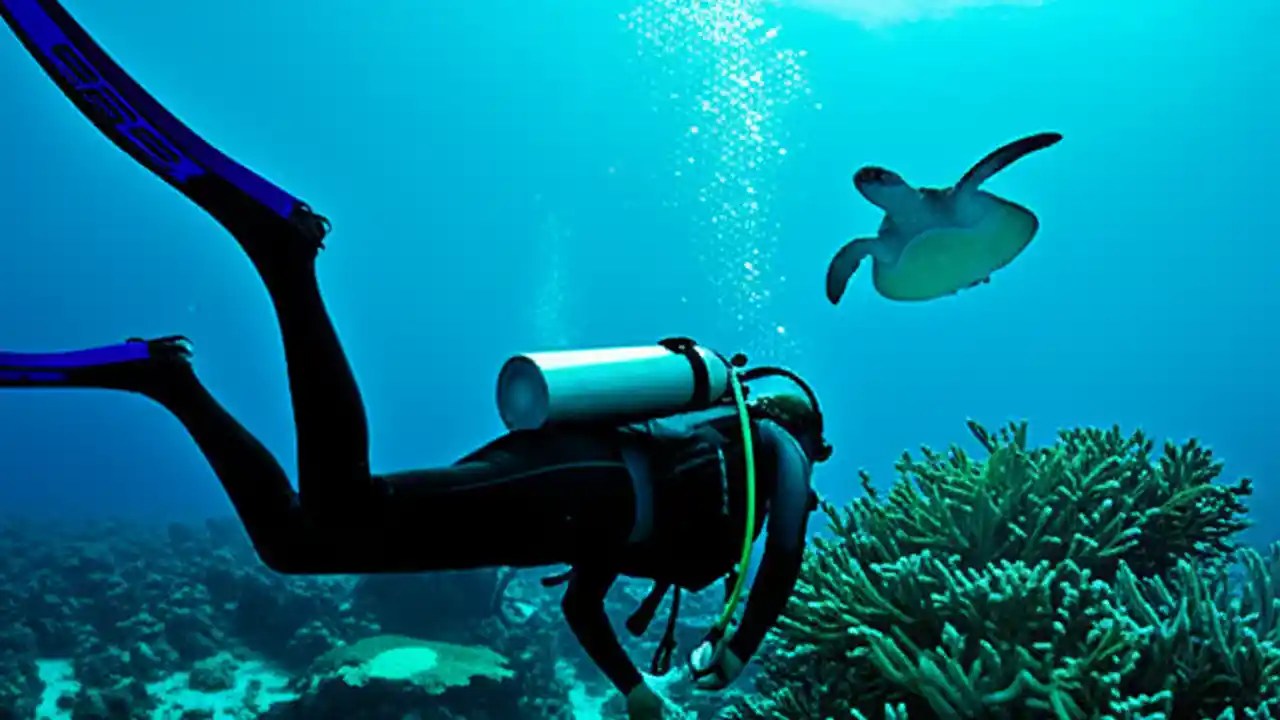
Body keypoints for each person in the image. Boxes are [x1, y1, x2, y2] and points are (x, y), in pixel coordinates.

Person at [0, 1, 834, 717]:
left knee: (299, 544)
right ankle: (281, 255)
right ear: (796, 422)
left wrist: (632, 690)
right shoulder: (773, 448)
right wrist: (739, 646)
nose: (810, 466)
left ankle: (168, 381)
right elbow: (789, 544)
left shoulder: (717, 484)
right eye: (812, 447)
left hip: (569, 506)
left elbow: (584, 600)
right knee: (344, 507)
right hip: (575, 481)